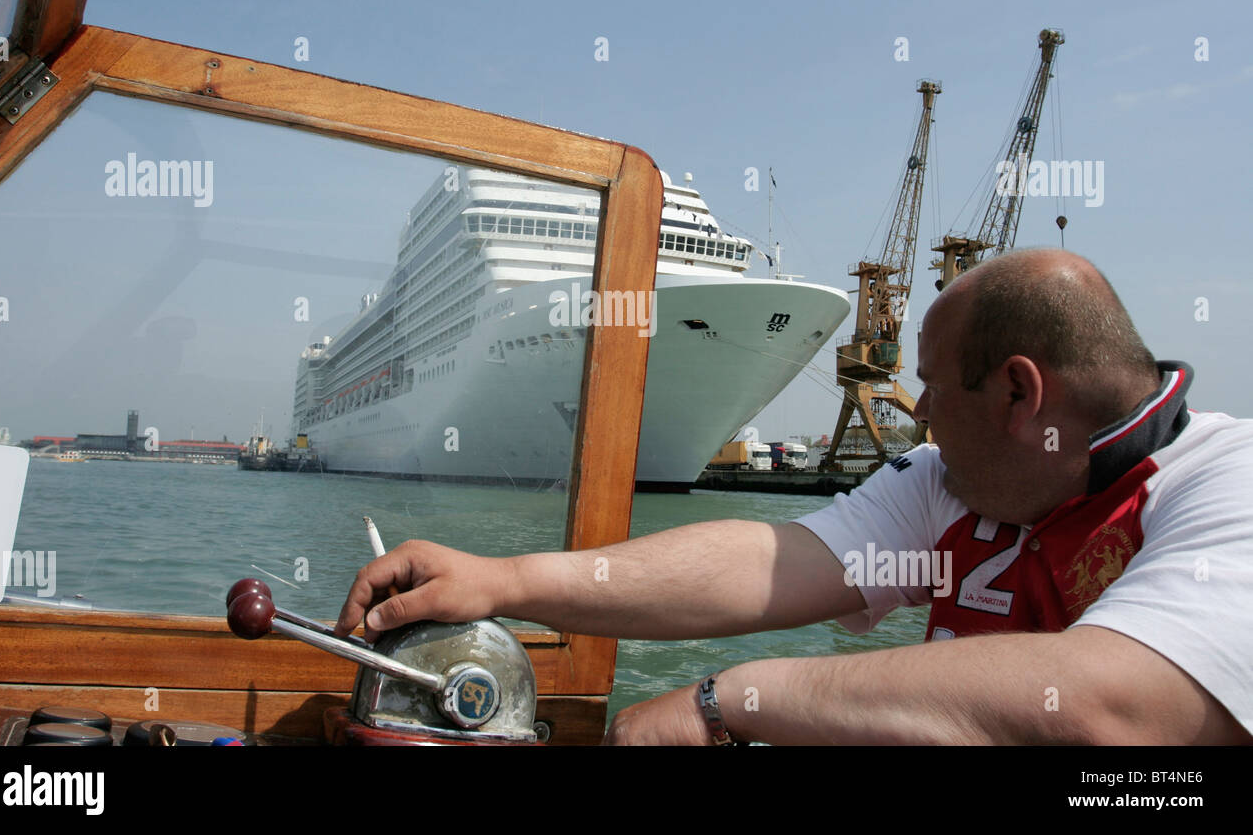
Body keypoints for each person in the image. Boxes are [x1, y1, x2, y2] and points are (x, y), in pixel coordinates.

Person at [334, 248, 1253, 745]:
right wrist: (502, 581)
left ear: (1020, 395)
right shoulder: (956, 487)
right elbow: (769, 565)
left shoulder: (1227, 484)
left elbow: (1114, 709)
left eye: (933, 385)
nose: (919, 413)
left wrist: (730, 702)